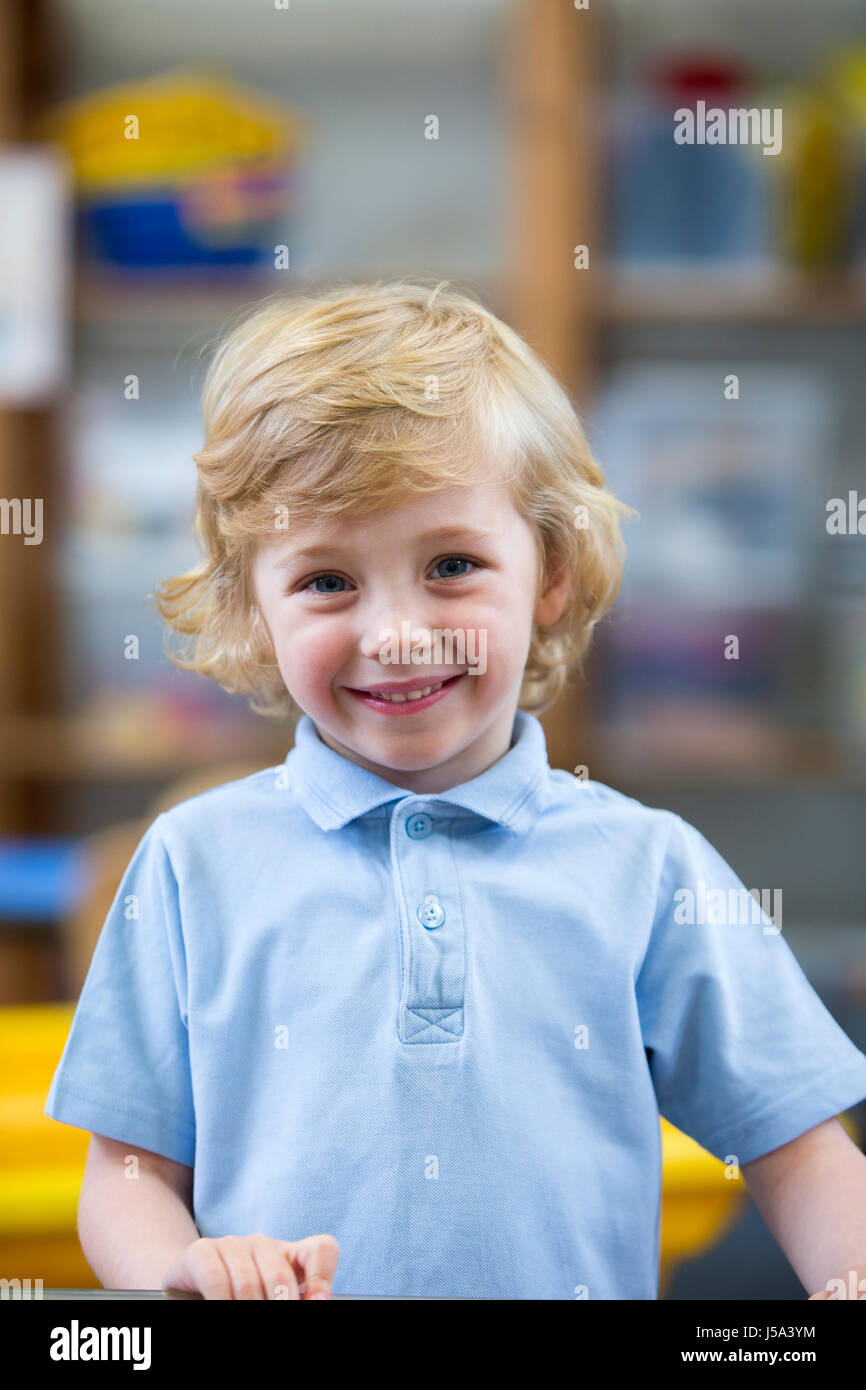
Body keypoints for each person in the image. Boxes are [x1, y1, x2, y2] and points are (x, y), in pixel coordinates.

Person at [44, 280, 866, 1300]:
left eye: (450, 564)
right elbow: (123, 1176)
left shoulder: (646, 867)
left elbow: (800, 1150)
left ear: (549, 572)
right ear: (251, 606)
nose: (395, 634)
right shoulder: (187, 861)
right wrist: (182, 1267)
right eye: (326, 580)